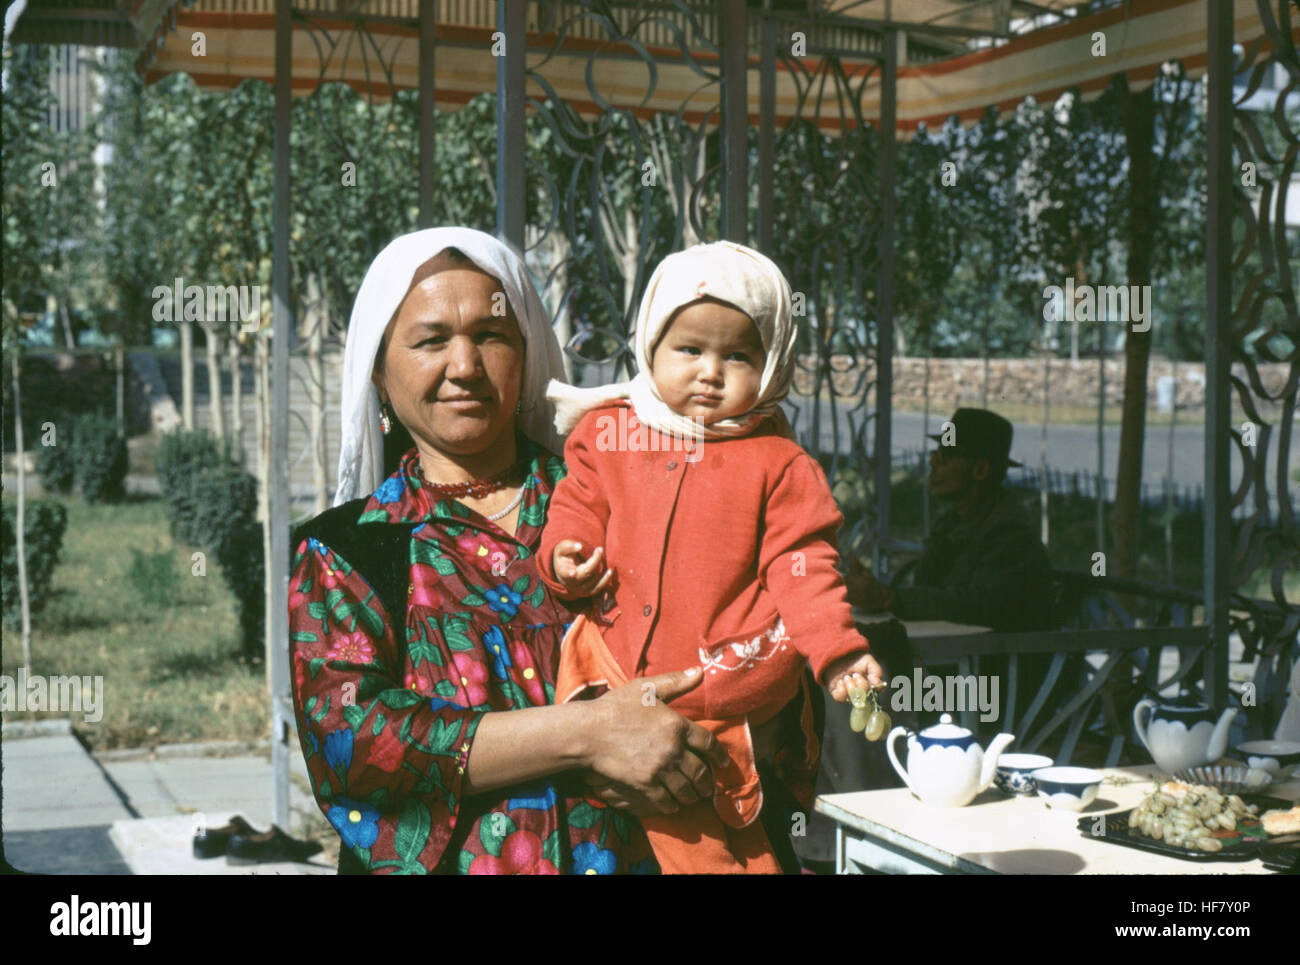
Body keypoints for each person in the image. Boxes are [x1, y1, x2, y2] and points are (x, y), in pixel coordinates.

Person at [288, 227, 755, 875]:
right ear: (378, 371)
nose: (464, 366)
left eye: (491, 335)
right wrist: (586, 735)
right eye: (430, 340)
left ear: (527, 351)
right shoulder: (349, 550)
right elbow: (356, 741)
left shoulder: (621, 498)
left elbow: (730, 639)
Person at [539, 241, 885, 874]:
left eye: (738, 356)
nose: (710, 372)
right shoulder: (609, 433)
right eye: (690, 349)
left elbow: (803, 566)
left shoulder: (779, 464)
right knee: (696, 835)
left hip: (726, 685)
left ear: (773, 363)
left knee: (734, 813)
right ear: (649, 346)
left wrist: (838, 650)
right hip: (620, 671)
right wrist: (566, 554)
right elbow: (577, 505)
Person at [846, 407, 1055, 633]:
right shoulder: (955, 520)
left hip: (998, 664)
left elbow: (976, 605)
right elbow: (932, 588)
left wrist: (886, 598)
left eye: (944, 457)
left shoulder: (1009, 532)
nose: (933, 463)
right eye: (935, 455)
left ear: (980, 470)